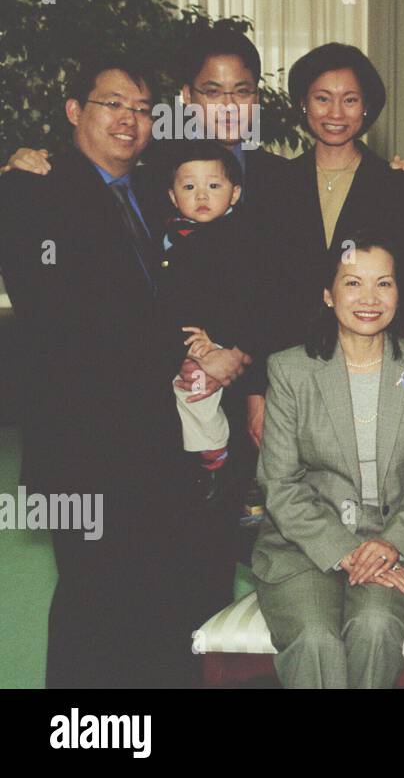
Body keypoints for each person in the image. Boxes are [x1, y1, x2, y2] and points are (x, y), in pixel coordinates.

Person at [0, 55, 249, 687]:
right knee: (92, 604)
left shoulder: (153, 192)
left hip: (155, 445)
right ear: (74, 112)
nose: (129, 120)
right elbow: (60, 311)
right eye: (113, 104)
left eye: (141, 109)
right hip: (85, 444)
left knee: (157, 603)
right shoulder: (32, 189)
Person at [251, 231, 404, 689]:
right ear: (328, 294)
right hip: (304, 546)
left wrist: (390, 543)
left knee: (374, 627)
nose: (369, 298)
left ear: (398, 293)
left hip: (397, 544)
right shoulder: (290, 369)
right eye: (353, 283)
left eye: (383, 283)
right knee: (314, 640)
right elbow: (280, 483)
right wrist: (344, 551)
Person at [253, 43, 404, 446]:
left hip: (372, 371)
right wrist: (257, 391)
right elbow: (261, 292)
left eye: (350, 100)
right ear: (303, 105)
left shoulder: (396, 188)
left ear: (366, 109)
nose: (336, 113)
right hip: (290, 373)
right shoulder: (273, 186)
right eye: (322, 99)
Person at [158, 142, 258, 497]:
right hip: (185, 342)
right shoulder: (170, 235)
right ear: (172, 196)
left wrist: (221, 343)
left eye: (214, 186)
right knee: (188, 391)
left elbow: (251, 300)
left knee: (197, 395)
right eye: (189, 187)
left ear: (235, 193)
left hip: (228, 344)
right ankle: (207, 461)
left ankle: (216, 456)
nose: (201, 195)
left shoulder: (241, 238)